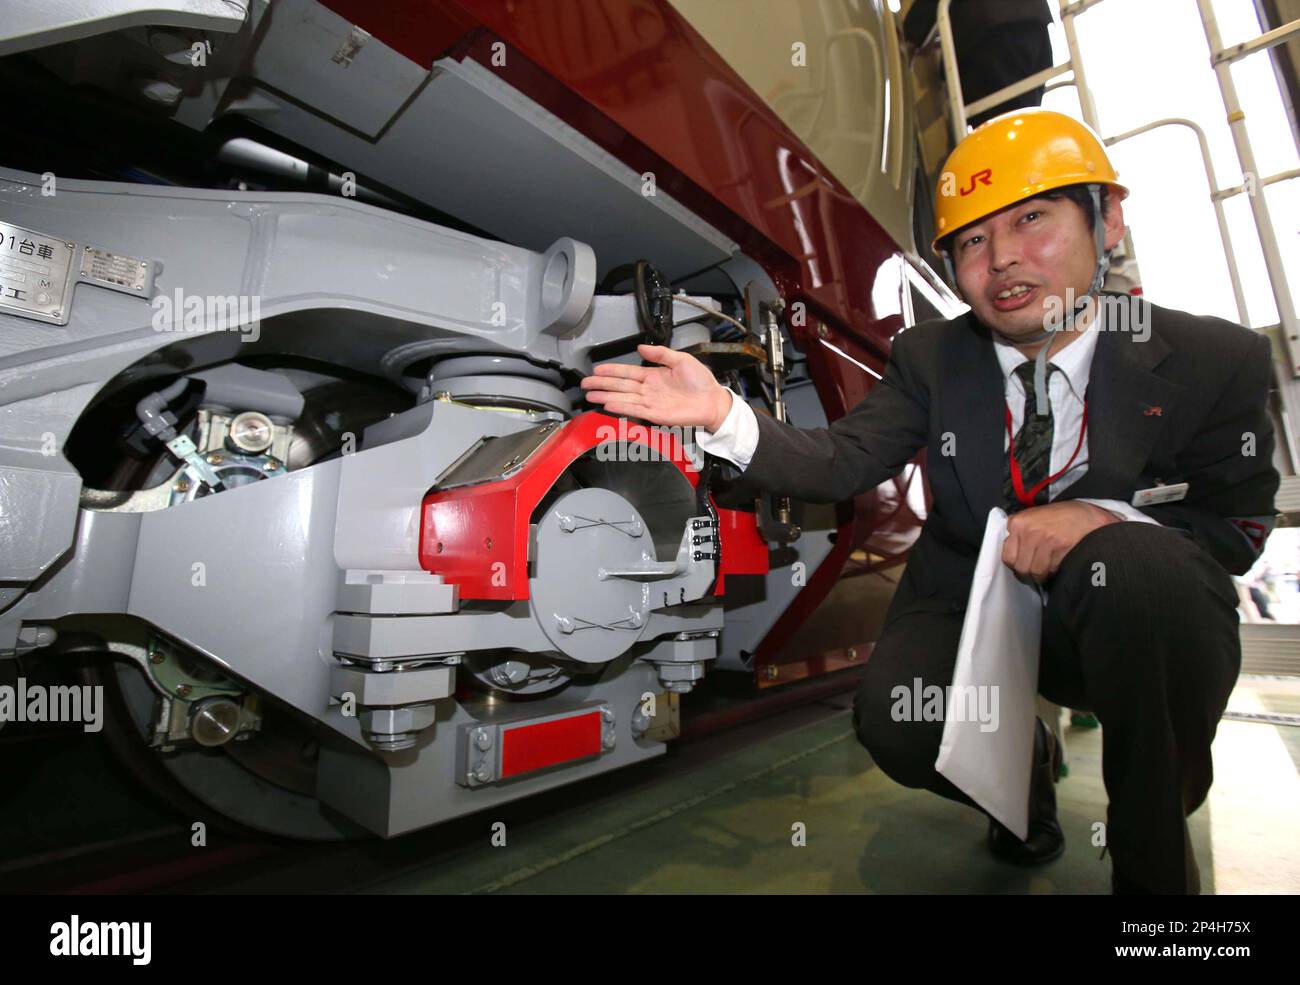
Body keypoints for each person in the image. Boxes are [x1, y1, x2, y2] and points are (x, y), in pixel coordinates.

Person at [580, 109, 1280, 894]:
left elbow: (1237, 526)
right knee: (898, 725)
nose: (1004, 258)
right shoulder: (932, 356)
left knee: (1139, 563)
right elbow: (842, 459)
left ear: (1107, 217)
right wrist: (723, 417)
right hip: (970, 595)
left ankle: (1155, 869)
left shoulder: (1216, 361)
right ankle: (1026, 779)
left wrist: (1101, 517)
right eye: (973, 241)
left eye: (1032, 219)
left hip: (1127, 615)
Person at [903, 0, 1055, 127]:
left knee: (997, 131)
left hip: (991, 34)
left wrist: (910, 36)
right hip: (1034, 28)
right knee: (1019, 124)